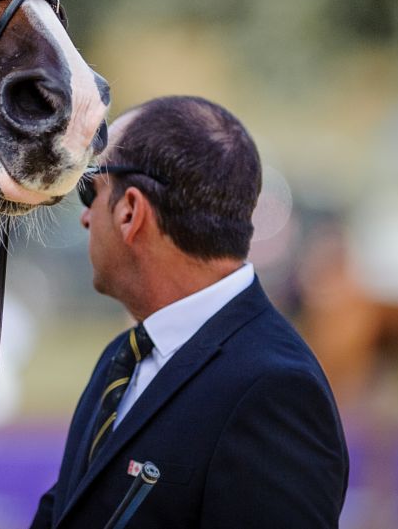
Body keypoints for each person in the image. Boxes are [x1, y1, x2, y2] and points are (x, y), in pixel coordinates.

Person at [30, 96, 348, 529]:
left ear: (131, 211)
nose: (85, 217)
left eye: (90, 188)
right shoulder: (124, 357)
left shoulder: (274, 388)